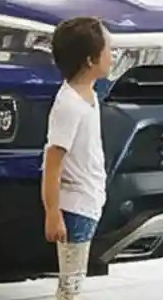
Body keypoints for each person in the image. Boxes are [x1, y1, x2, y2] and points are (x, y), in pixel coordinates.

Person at [41, 16, 112, 300]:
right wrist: (52, 212)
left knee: (74, 280)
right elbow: (53, 161)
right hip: (76, 206)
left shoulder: (88, 95)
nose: (112, 55)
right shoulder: (69, 105)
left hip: (88, 200)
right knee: (71, 284)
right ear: (89, 60)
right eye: (108, 49)